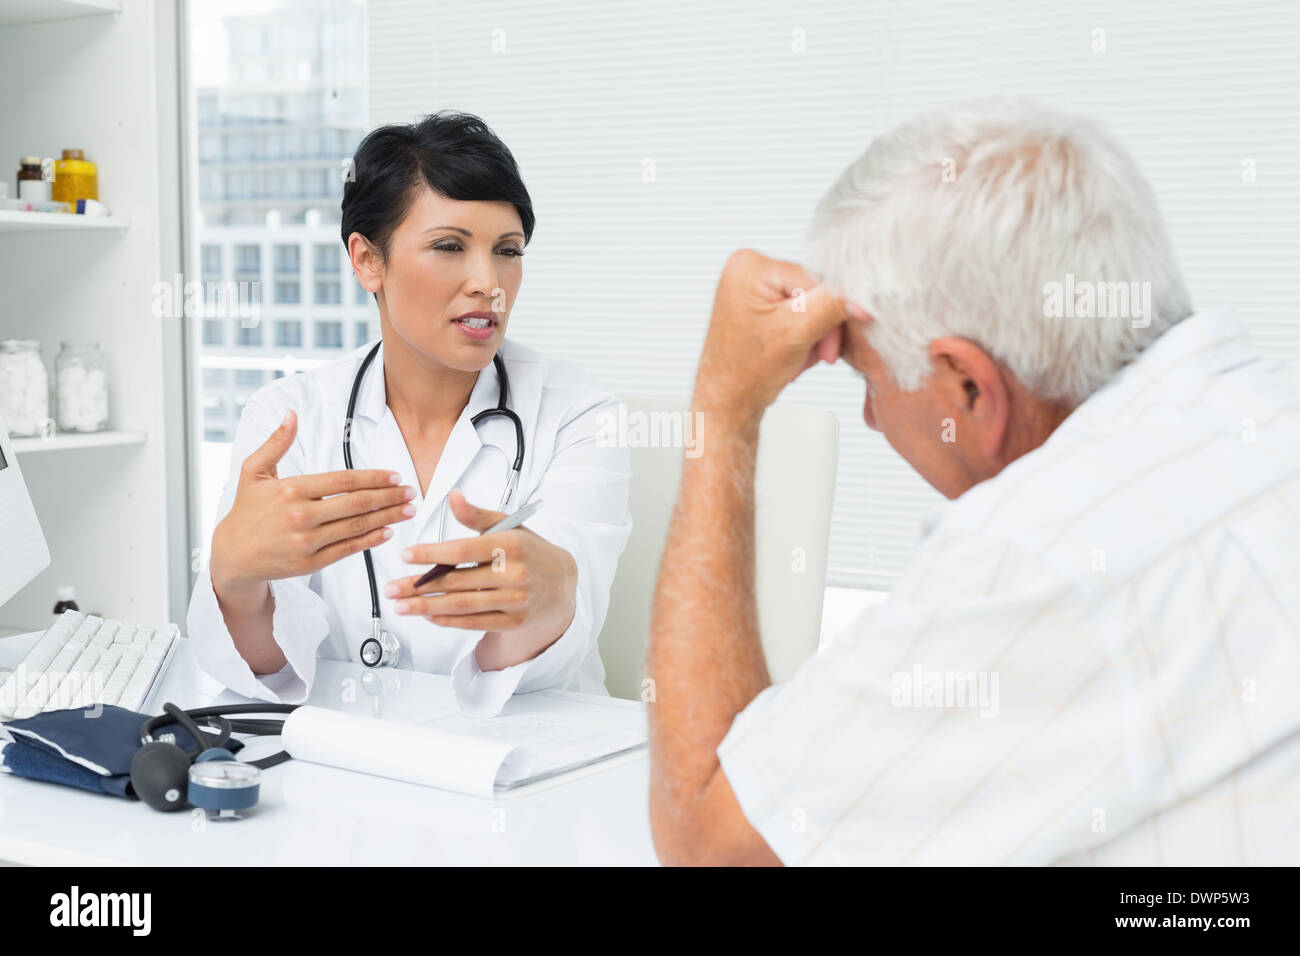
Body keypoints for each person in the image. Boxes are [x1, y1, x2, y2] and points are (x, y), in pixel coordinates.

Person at [647, 97, 1300, 864]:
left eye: (866, 376)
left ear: (968, 390)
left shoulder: (1037, 555)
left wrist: (724, 409)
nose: (868, 418)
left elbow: (712, 847)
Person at [188, 112, 632, 717]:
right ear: (368, 261)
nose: (489, 283)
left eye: (508, 252)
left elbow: (554, 647)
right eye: (450, 246)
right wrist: (235, 577)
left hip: (529, 758)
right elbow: (267, 678)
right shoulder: (288, 416)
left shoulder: (580, 415)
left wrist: (551, 597)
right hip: (350, 764)